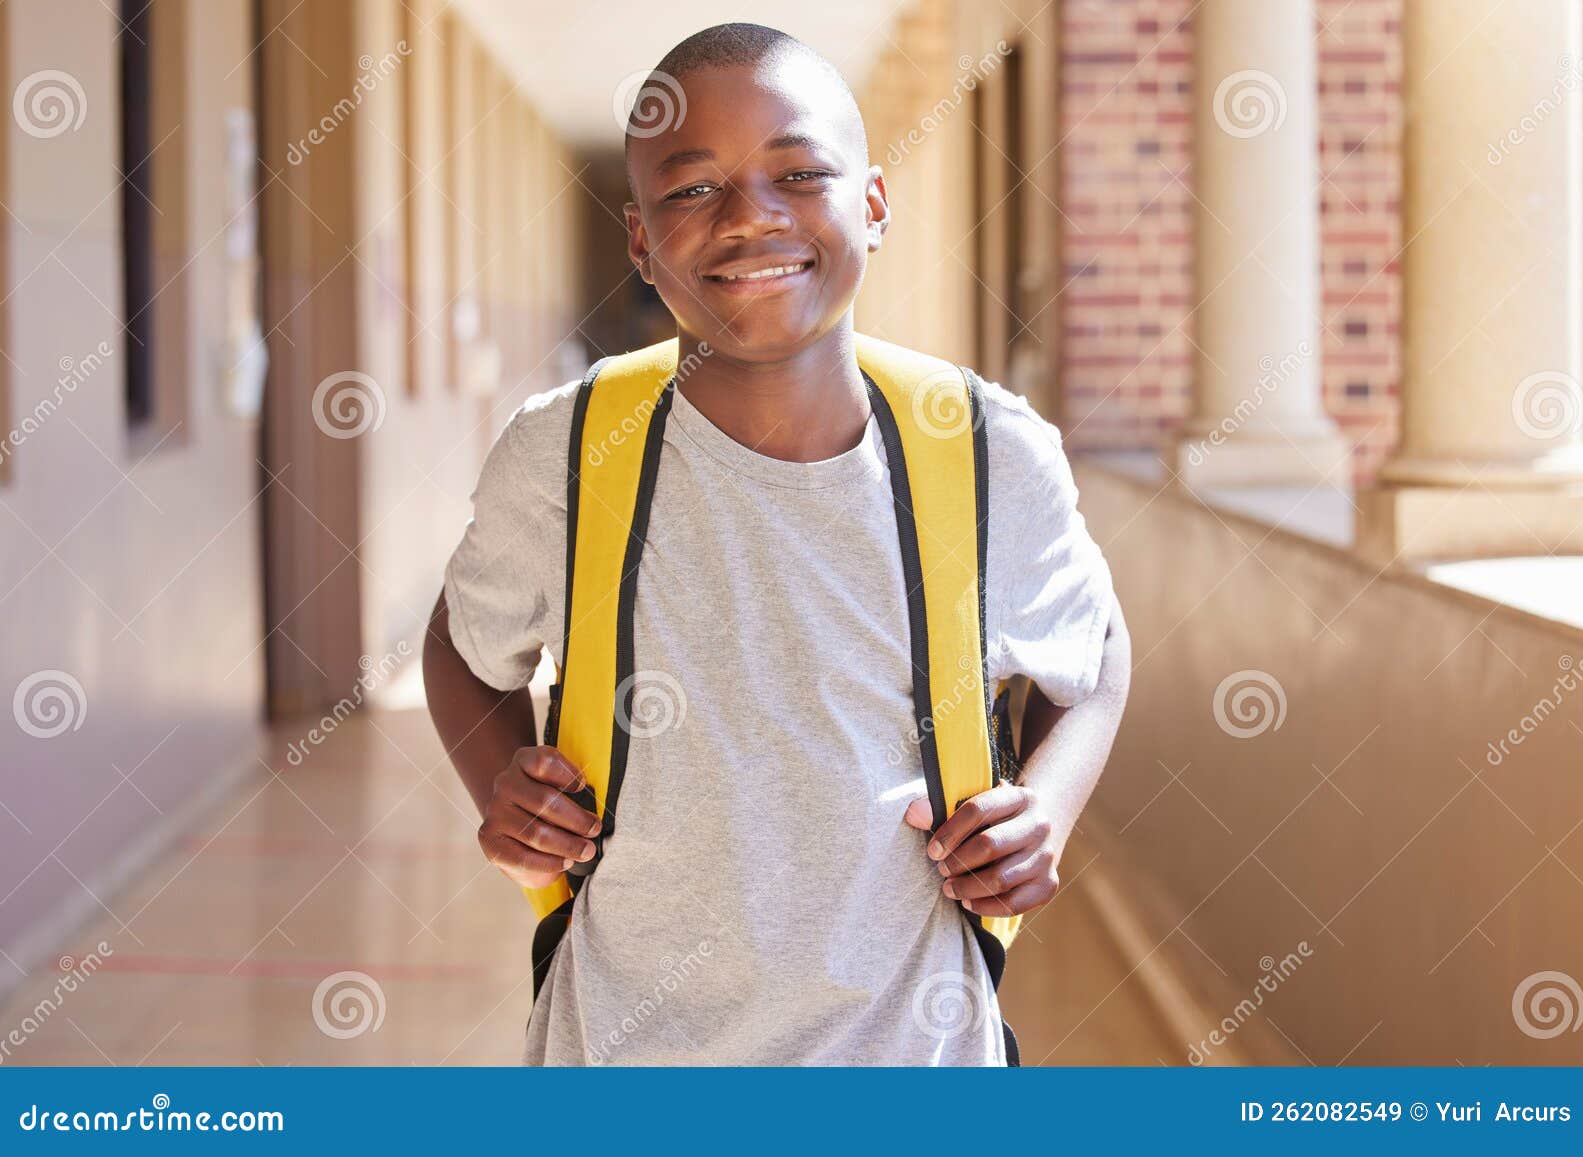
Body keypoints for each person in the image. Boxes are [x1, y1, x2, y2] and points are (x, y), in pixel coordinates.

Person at [422, 21, 1130, 1065]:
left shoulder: (984, 451)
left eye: (798, 173)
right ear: (638, 240)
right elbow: (457, 640)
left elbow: (1097, 650)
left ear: (873, 204)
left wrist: (1047, 810)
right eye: (691, 188)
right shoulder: (565, 453)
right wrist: (499, 786)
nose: (750, 218)